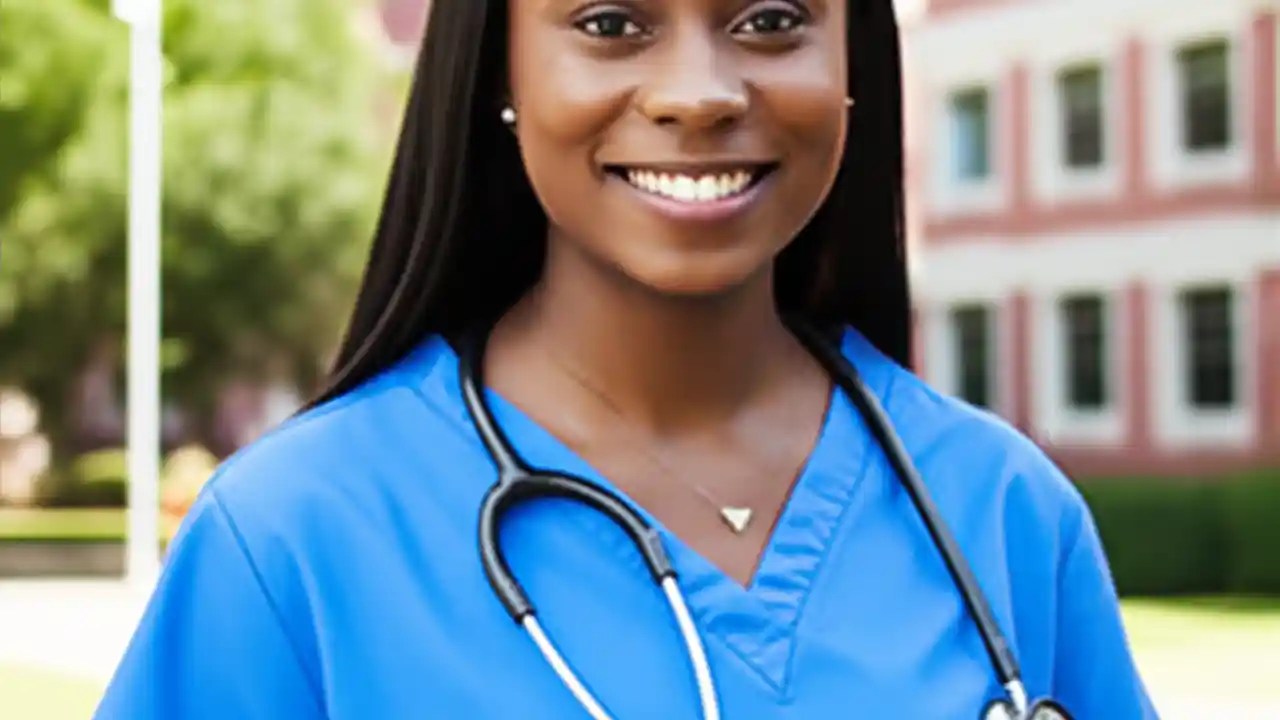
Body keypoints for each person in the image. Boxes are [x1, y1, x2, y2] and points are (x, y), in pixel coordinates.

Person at [95, 0, 1159, 717]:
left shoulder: (1004, 511)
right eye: (609, 21)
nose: (698, 92)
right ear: (497, 68)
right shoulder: (294, 533)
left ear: (854, 65)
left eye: (772, 17)